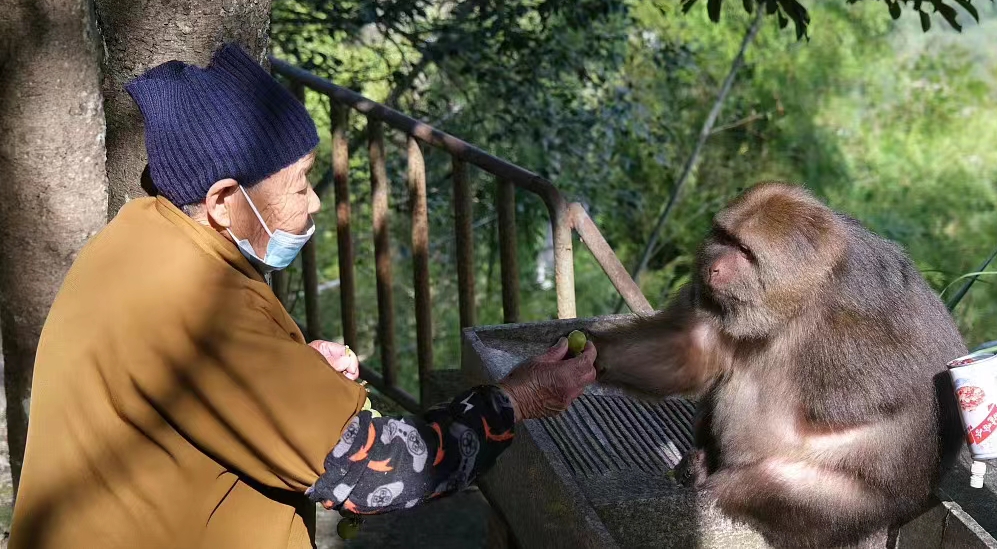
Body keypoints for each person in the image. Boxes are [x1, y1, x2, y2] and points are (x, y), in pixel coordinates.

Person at [8, 43, 597, 549]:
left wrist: (290, 373)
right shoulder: (195, 309)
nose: (314, 202)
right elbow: (375, 474)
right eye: (299, 183)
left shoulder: (139, 239)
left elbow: (202, 389)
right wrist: (519, 399)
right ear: (222, 201)